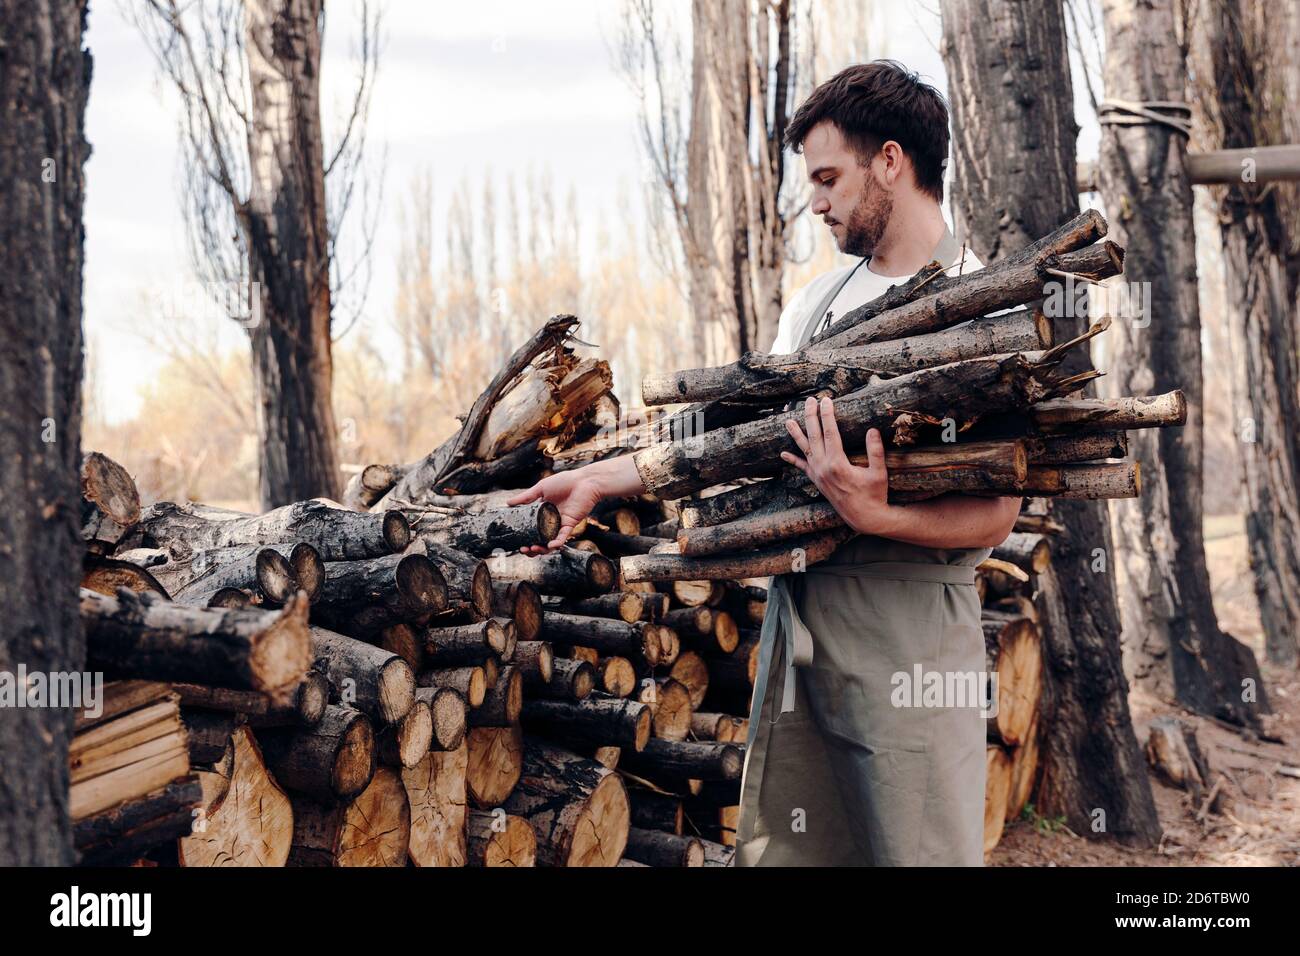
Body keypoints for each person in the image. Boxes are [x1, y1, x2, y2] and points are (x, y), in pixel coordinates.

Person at [507, 60, 1022, 866]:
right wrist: (607, 477)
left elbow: (1000, 511)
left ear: (891, 160)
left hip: (914, 639)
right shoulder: (814, 307)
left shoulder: (990, 308)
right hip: (802, 626)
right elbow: (734, 436)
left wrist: (876, 513)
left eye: (828, 178)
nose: (815, 202)